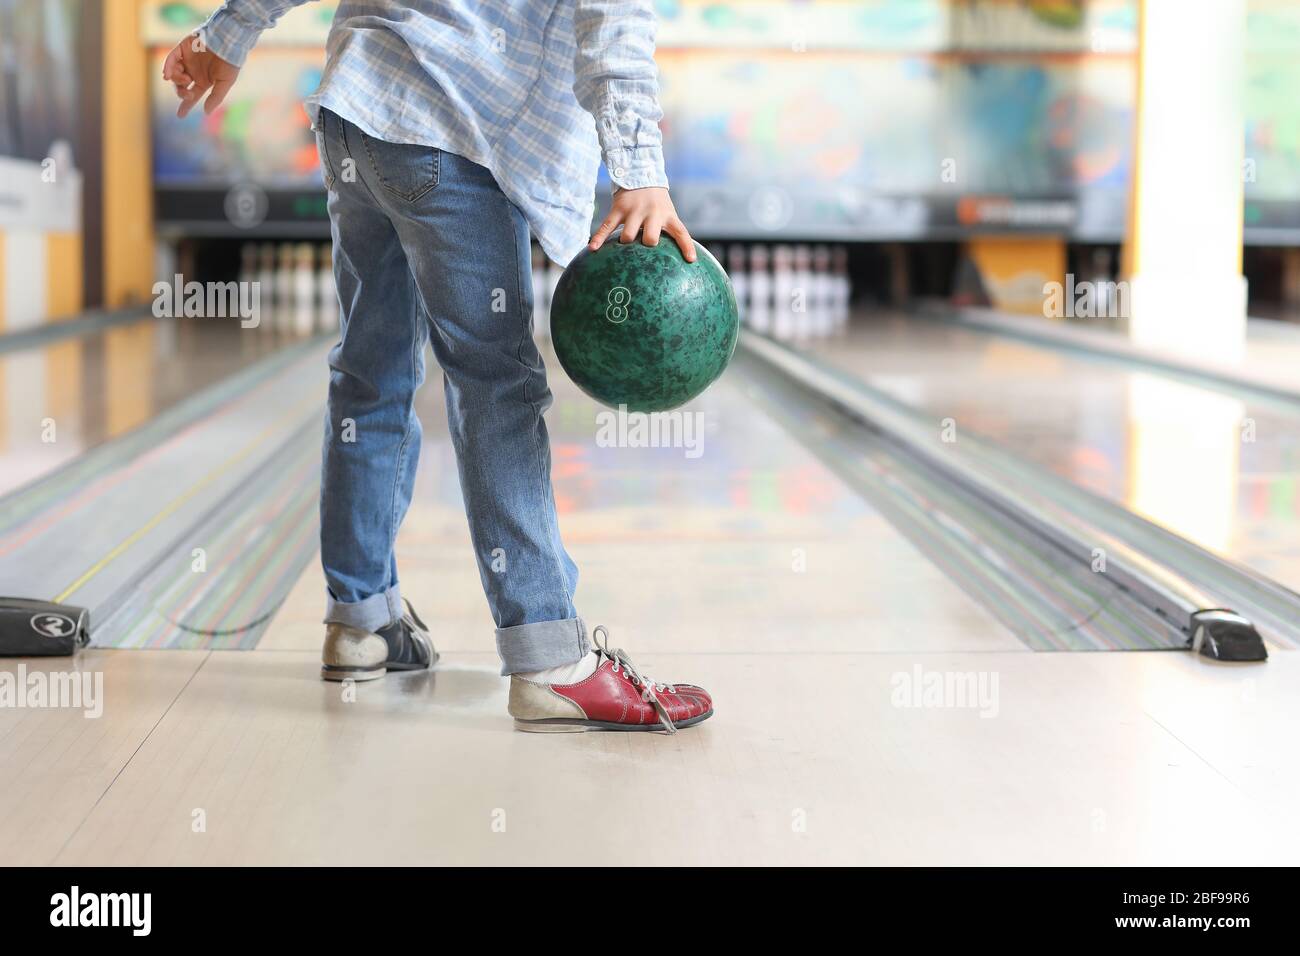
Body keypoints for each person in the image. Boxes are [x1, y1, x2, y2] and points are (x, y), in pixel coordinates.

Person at [162, 1, 713, 733]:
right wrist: (640, 170)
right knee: (495, 387)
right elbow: (611, 20)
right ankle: (548, 657)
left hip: (359, 110)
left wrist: (227, 33)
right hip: (458, 128)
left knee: (370, 368)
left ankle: (359, 618)